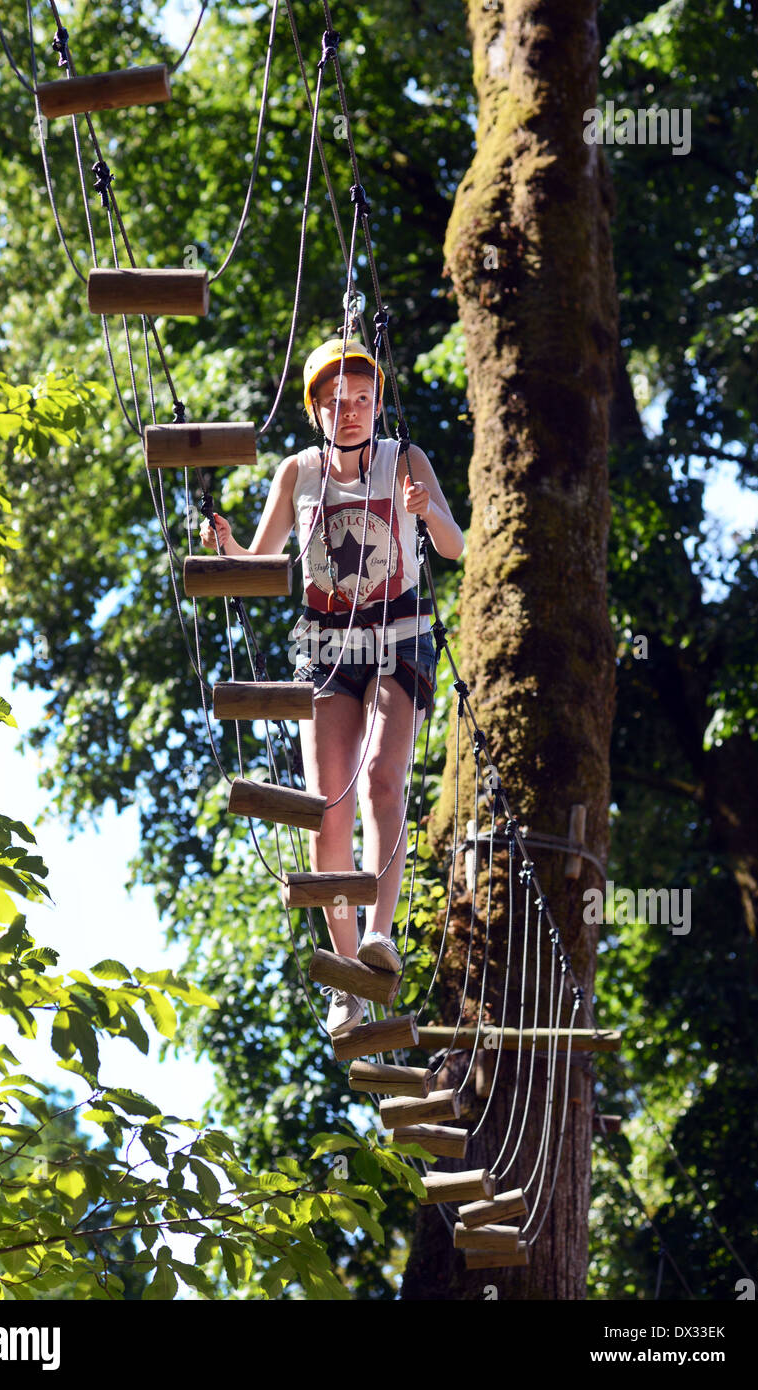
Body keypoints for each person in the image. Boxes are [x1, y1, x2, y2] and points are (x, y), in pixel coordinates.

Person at [199, 339, 464, 1036]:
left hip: (398, 634)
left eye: (362, 401)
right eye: (336, 403)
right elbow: (264, 560)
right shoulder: (298, 472)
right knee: (326, 805)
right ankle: (346, 977)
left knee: (382, 778)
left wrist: (426, 511)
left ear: (377, 406)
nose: (350, 413)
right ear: (315, 410)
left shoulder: (403, 460)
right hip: (326, 645)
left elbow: (455, 545)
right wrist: (227, 549)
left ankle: (380, 933)